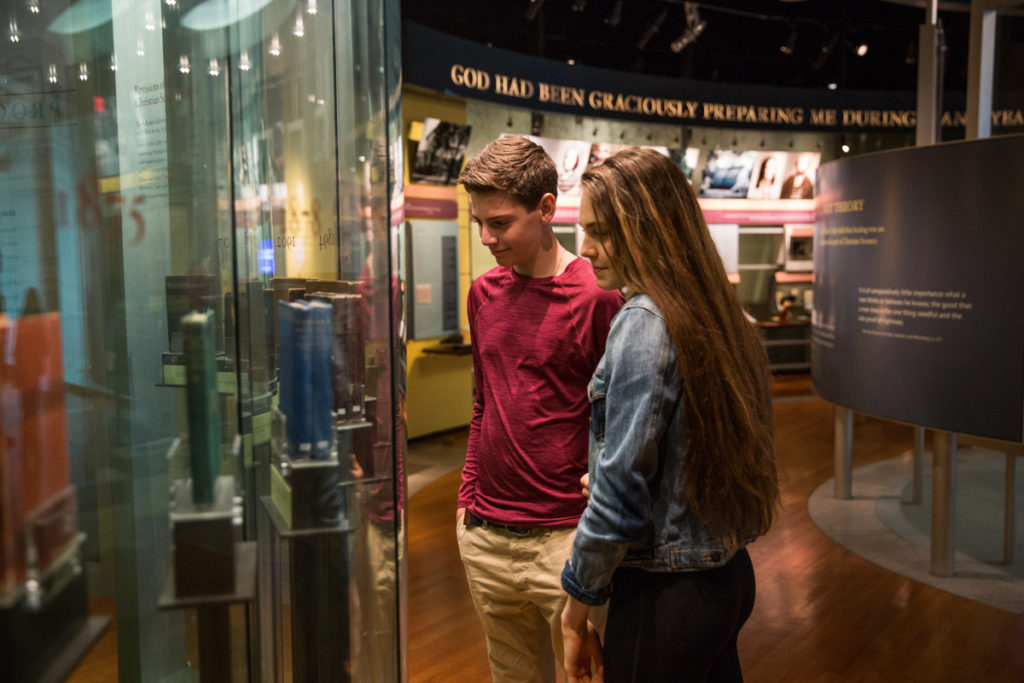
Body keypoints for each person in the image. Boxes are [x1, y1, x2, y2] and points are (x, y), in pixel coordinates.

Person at [560, 147, 780, 683]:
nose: (584, 249)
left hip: (667, 590)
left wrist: (575, 609)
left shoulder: (643, 319)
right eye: (583, 229)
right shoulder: (711, 308)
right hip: (725, 576)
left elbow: (618, 493)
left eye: (602, 231)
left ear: (648, 226)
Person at [456, 135, 622, 683]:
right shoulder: (483, 294)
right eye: (479, 222)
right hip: (486, 534)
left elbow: (618, 419)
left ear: (546, 208)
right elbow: (483, 402)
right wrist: (467, 502)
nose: (486, 238)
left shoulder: (597, 297)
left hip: (565, 540)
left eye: (499, 223)